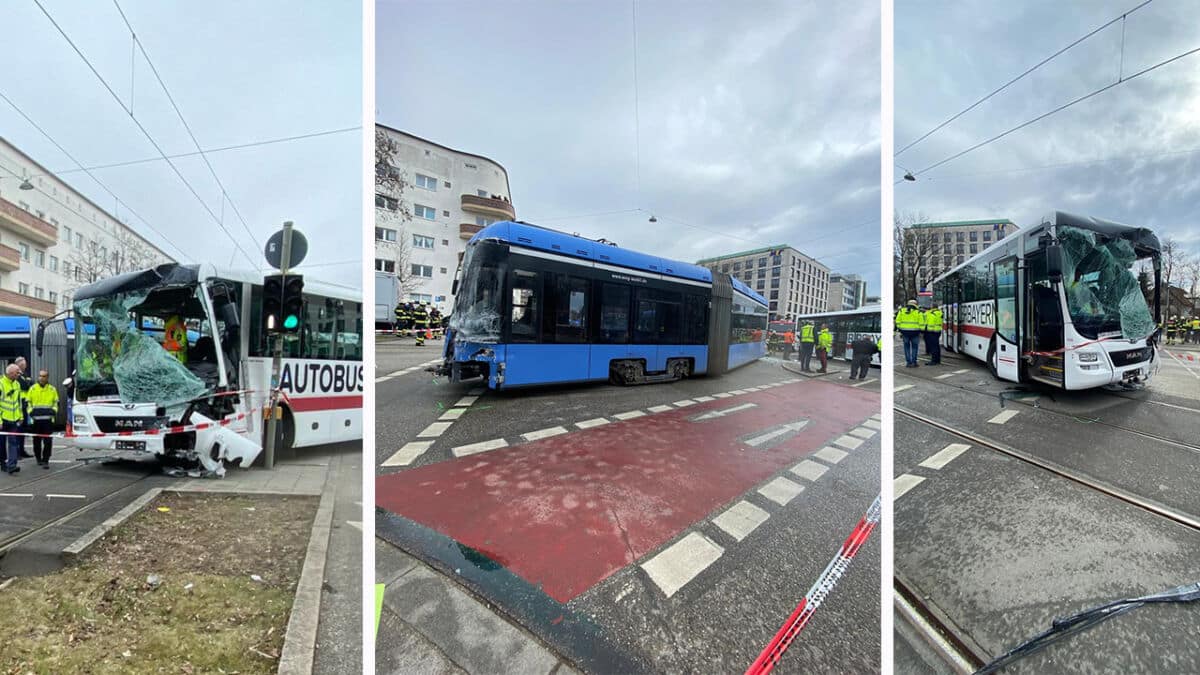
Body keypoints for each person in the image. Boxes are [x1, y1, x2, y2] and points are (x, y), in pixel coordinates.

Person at [27, 370, 57, 469]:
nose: (41, 378)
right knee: (36, 441)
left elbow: (56, 403)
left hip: (48, 420)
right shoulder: (32, 389)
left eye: (44, 376)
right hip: (36, 420)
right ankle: (38, 458)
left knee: (48, 441)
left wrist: (53, 412)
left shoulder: (52, 389)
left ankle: (46, 460)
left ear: (47, 377)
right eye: (40, 376)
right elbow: (28, 403)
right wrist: (31, 412)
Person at [1, 364, 25, 474]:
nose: (18, 374)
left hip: (14, 419)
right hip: (3, 419)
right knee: (1, 443)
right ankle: (3, 463)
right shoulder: (1, 384)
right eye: (17, 372)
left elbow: (18, 402)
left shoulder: (17, 384)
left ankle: (12, 465)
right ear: (10, 373)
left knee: (13, 442)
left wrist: (21, 416)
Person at [13, 357, 32, 458]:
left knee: (23, 430)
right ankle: (17, 452)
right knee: (18, 430)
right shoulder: (16, 375)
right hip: (18, 406)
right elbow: (25, 386)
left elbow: (31, 384)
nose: (26, 366)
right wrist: (28, 383)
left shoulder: (24, 375)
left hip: (24, 406)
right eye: (24, 364)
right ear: (20, 365)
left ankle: (21, 450)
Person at [896, 300, 924, 367]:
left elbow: (897, 321)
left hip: (905, 332)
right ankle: (914, 362)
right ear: (915, 304)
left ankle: (908, 362)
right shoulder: (918, 312)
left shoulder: (902, 311)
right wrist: (921, 331)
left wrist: (901, 329)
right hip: (915, 332)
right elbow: (921, 323)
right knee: (915, 347)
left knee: (906, 347)